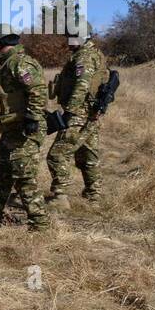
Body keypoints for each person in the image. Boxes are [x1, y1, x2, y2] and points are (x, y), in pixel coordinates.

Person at [0, 31, 49, 231]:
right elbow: (8, 100)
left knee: (23, 177)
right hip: (11, 130)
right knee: (1, 175)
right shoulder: (9, 64)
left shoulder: (20, 63)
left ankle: (40, 225)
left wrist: (33, 118)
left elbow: (37, 90)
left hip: (24, 131)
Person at [45, 28, 107, 206]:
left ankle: (60, 196)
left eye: (71, 37)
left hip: (79, 114)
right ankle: (94, 194)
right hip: (90, 114)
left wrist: (70, 112)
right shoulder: (93, 53)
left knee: (56, 155)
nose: (68, 41)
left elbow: (82, 85)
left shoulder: (84, 57)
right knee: (87, 154)